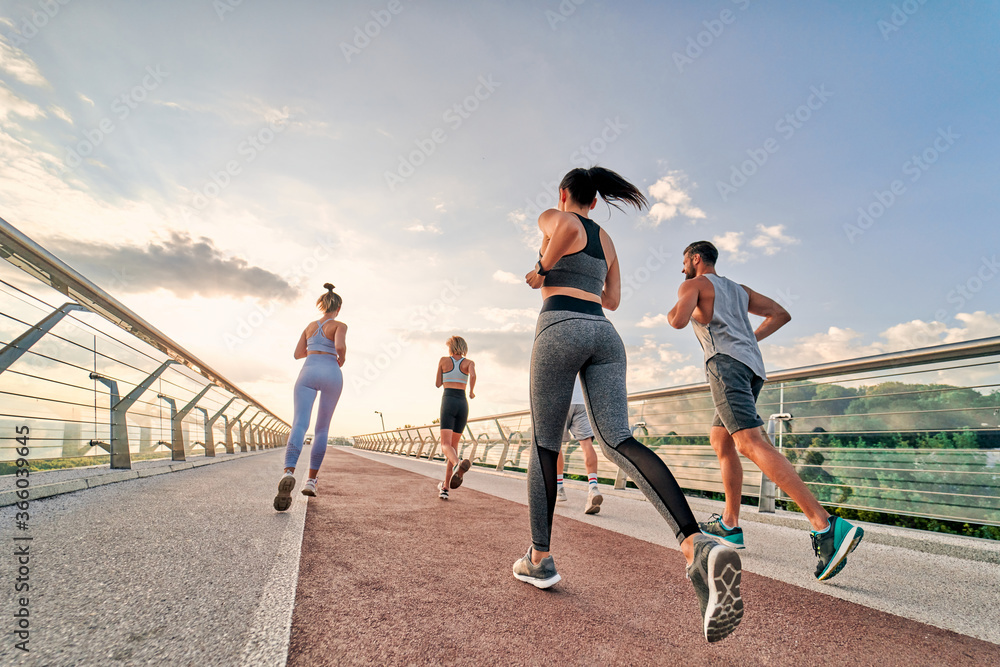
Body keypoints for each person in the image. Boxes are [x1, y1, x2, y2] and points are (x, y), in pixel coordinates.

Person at [512, 167, 743, 643]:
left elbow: (545, 265)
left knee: (544, 445)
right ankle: (695, 544)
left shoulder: (556, 216)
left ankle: (539, 558)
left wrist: (538, 271)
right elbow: (612, 299)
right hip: (605, 335)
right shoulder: (609, 241)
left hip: (560, 327)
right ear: (596, 201)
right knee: (618, 439)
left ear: (564, 194)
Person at [666, 241, 863, 581]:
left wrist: (681, 304)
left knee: (750, 442)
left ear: (696, 259)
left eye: (684, 260)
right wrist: (749, 338)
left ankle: (825, 525)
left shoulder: (693, 284)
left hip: (724, 366)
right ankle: (730, 524)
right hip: (752, 367)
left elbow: (677, 321)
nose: (682, 266)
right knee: (722, 441)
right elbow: (781, 314)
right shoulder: (739, 290)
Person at [273, 283, 346, 511]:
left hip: (308, 369)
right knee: (322, 429)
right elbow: (340, 347)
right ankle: (312, 481)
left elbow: (297, 354)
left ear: (321, 305)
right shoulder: (340, 325)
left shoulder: (309, 326)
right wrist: (340, 357)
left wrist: (314, 348)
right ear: (339, 307)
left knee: (299, 424)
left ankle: (288, 471)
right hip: (331, 371)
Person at [434, 336, 476, 500]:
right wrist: (472, 391)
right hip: (463, 403)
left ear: (451, 347)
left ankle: (458, 464)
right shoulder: (469, 363)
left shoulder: (444, 361)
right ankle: (445, 487)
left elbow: (438, 383)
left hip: (449, 400)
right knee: (453, 447)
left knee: (445, 444)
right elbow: (473, 376)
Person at [555, 375, 603, 515]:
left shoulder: (556, 353)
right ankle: (593, 487)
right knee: (587, 444)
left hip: (562, 400)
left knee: (556, 445)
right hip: (582, 402)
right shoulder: (583, 353)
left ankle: (559, 489)